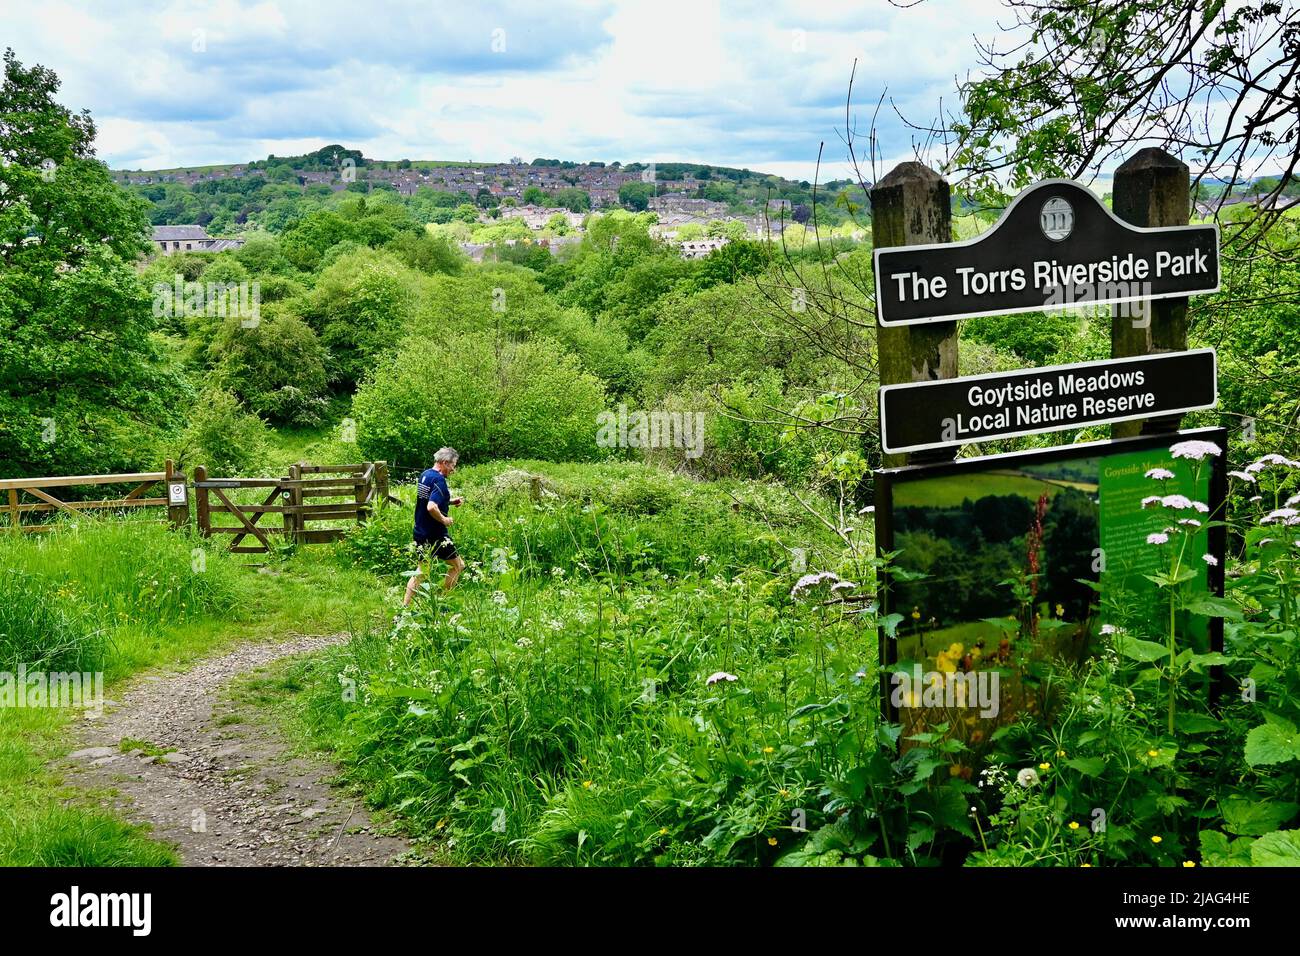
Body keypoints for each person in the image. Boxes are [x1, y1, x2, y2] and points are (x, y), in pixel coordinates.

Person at [403, 447, 466, 606]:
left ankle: (404, 609)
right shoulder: (439, 480)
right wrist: (444, 519)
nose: (453, 469)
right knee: (458, 566)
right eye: (453, 465)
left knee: (421, 572)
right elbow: (431, 506)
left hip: (420, 531)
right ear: (445, 462)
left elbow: (428, 499)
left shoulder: (425, 475)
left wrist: (450, 501)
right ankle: (442, 602)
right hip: (436, 534)